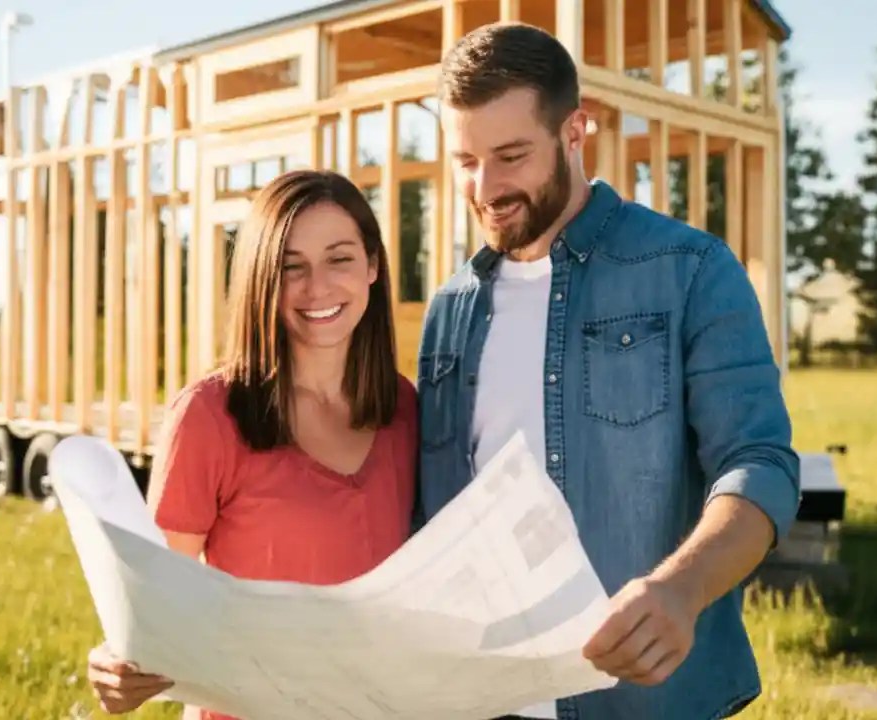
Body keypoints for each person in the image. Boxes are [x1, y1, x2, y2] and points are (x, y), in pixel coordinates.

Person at [414, 22, 801, 720]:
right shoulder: (451, 309)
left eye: (510, 156)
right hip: (484, 701)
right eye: (464, 160)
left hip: (642, 703)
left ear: (574, 132)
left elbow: (760, 464)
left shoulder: (689, 271)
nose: (485, 187)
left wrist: (680, 589)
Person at [85, 169, 418, 719]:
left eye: (340, 259)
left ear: (373, 267)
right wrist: (116, 661)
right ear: (263, 280)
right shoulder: (209, 417)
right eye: (292, 268)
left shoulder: (405, 411)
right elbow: (154, 608)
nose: (318, 288)